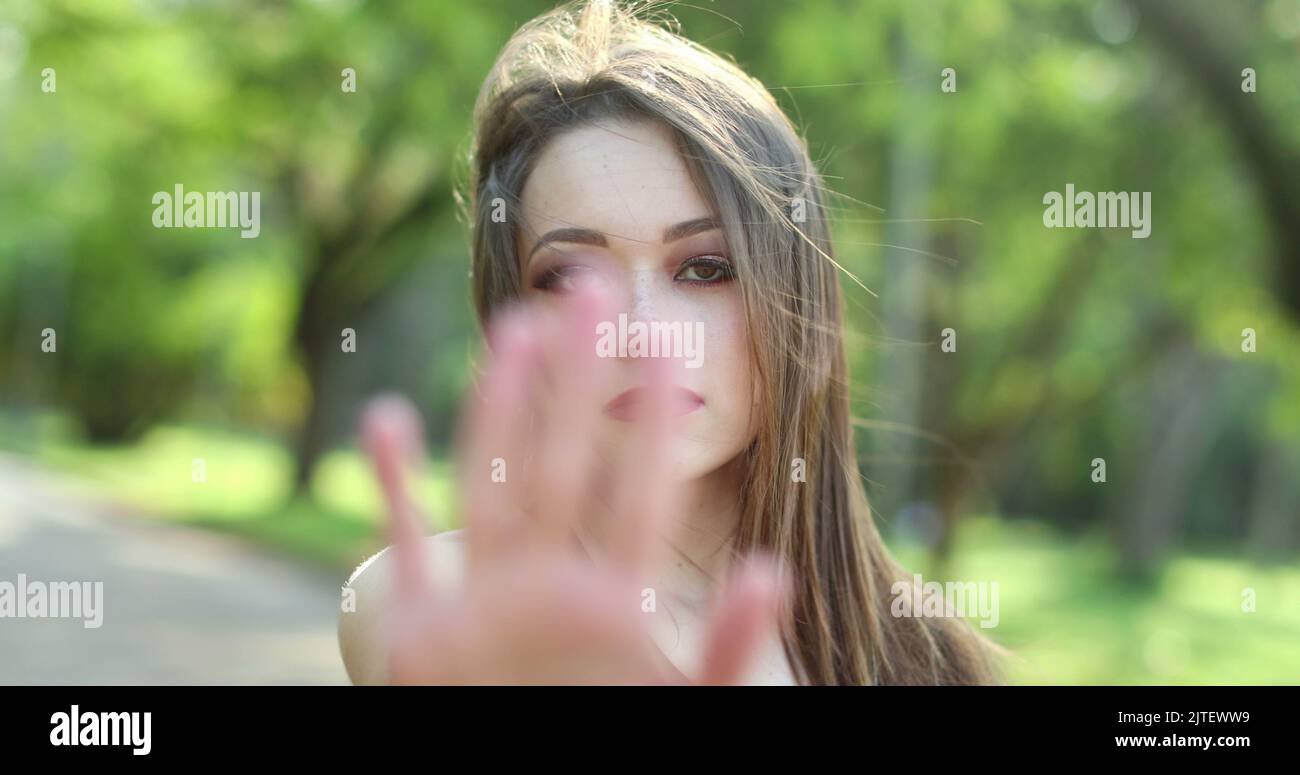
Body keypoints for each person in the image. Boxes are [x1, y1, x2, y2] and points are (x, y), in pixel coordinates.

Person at [338, 0, 1002, 685]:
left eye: (706, 268)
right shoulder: (438, 602)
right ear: (507, 321)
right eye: (570, 277)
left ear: (799, 304)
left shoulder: (931, 656)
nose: (645, 333)